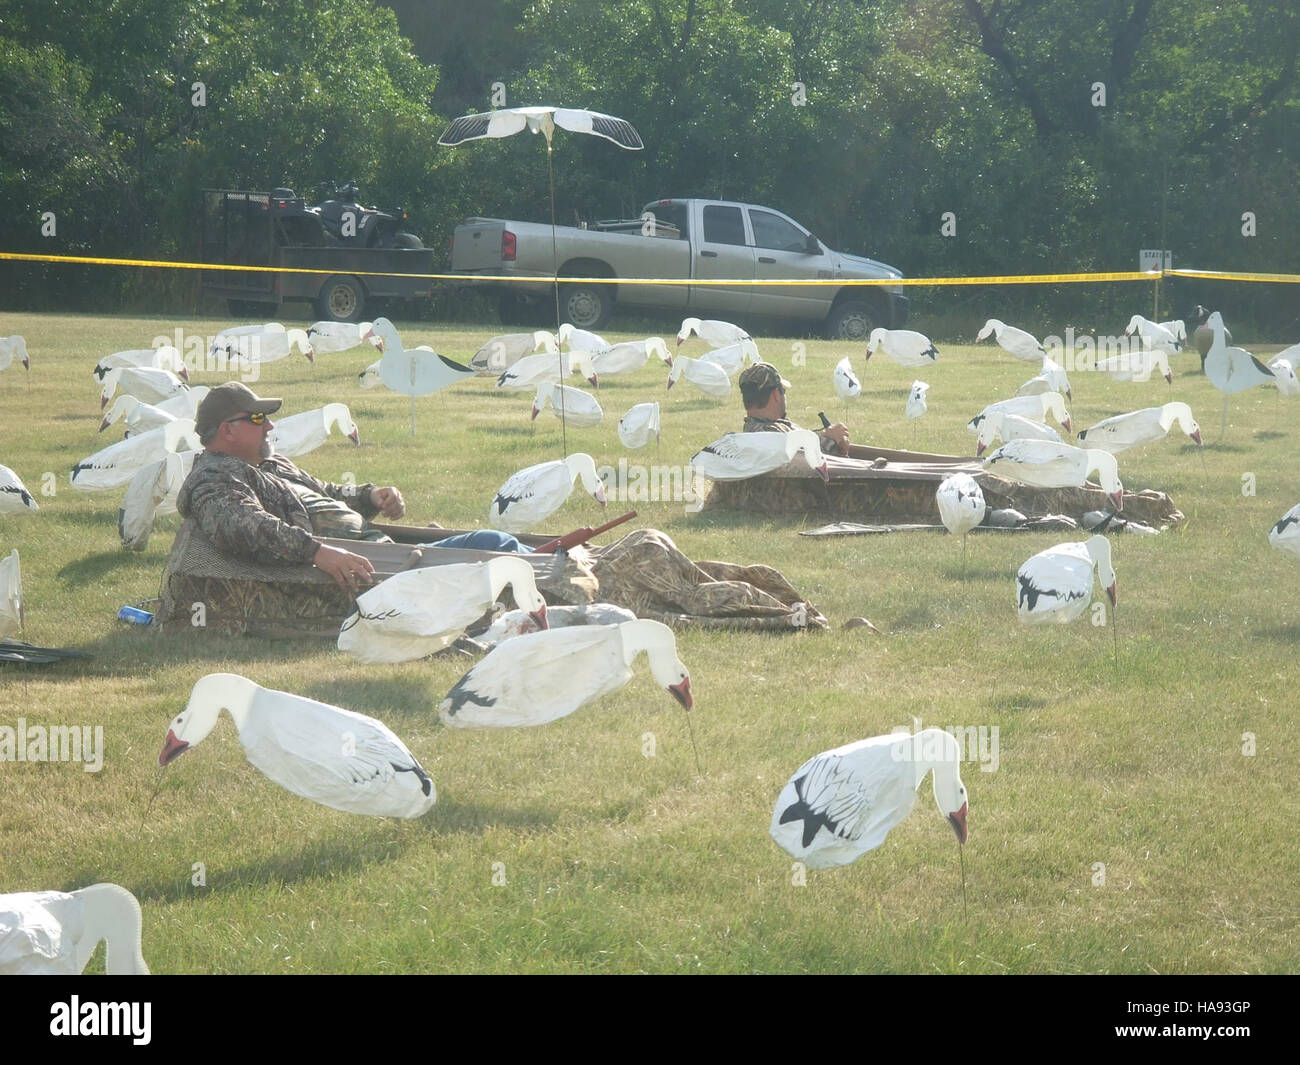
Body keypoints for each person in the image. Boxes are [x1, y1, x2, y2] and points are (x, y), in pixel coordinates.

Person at [177, 382, 402, 594]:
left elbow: (323, 491)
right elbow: (243, 525)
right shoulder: (212, 478)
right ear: (227, 431)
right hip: (364, 568)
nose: (270, 425)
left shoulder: (271, 463)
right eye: (258, 418)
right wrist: (316, 552)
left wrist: (371, 496)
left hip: (382, 552)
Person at [738, 362, 850, 454]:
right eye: (784, 391)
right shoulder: (766, 435)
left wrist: (834, 443)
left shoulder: (755, 431)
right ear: (776, 394)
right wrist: (830, 440)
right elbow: (803, 465)